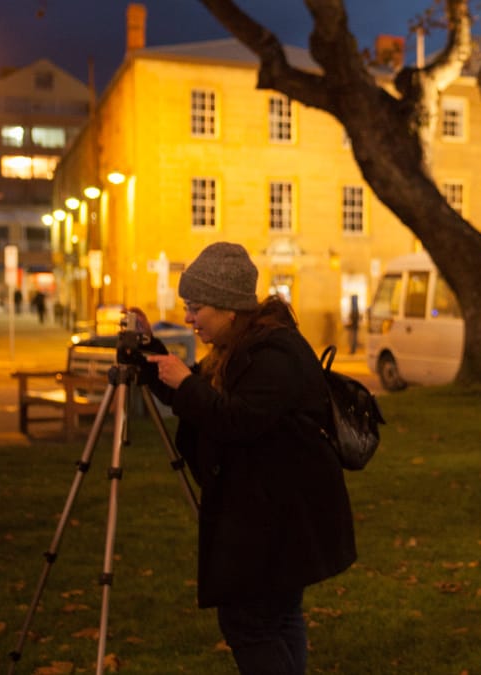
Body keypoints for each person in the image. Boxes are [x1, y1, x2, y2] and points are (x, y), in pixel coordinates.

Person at [133, 242, 356, 675]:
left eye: (197, 307)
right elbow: (195, 397)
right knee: (276, 617)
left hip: (282, 517)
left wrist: (185, 383)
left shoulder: (275, 354)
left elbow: (236, 420)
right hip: (274, 514)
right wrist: (150, 351)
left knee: (249, 623)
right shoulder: (237, 348)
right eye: (187, 306)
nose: (188, 318)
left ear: (231, 308)